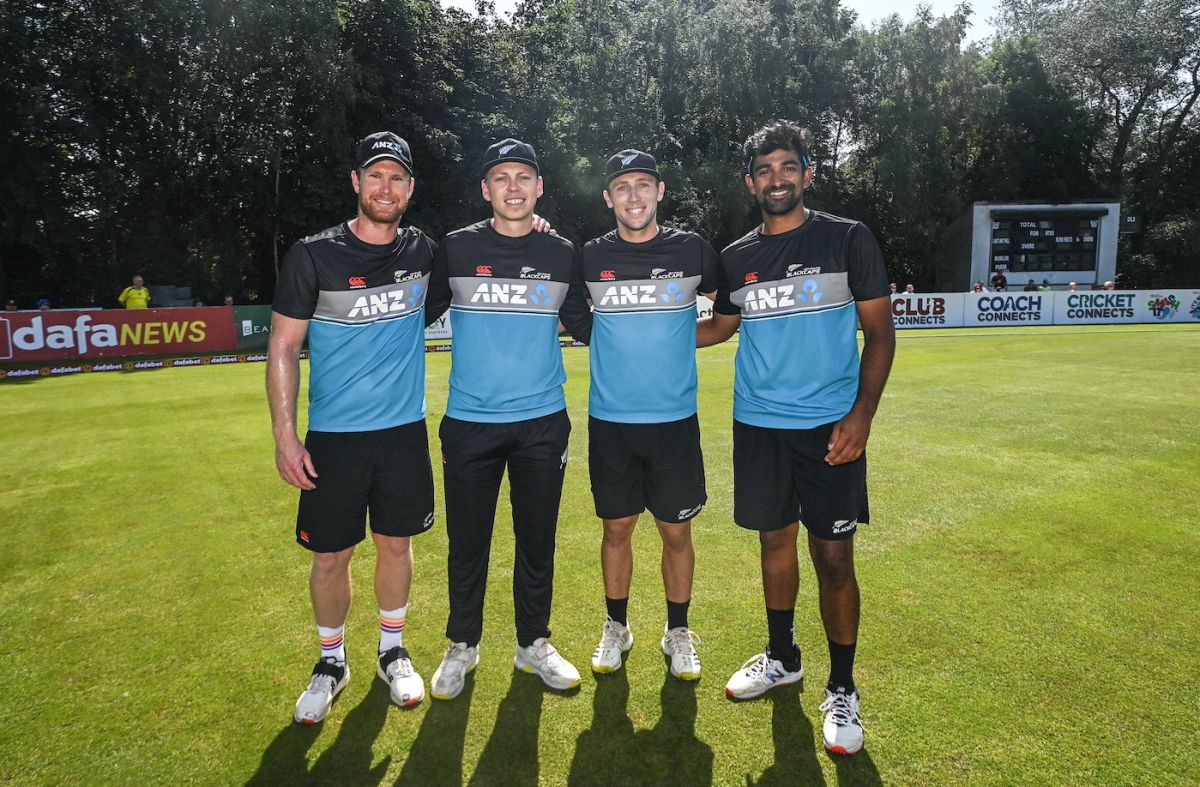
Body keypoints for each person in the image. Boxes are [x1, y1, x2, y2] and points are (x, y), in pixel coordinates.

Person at [697, 120, 895, 756]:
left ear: (807, 173)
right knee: (773, 542)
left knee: (833, 556)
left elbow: (881, 333)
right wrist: (636, 318)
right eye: (764, 170)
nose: (776, 179)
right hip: (758, 426)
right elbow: (717, 329)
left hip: (831, 427)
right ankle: (782, 657)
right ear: (750, 181)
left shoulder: (847, 239)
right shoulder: (736, 258)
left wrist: (862, 414)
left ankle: (842, 687)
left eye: (788, 167)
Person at [268, 132, 437, 723]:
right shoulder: (312, 256)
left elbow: (480, 255)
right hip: (334, 440)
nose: (385, 188)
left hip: (403, 434)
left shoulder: (422, 251)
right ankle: (331, 661)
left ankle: (393, 652)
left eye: (397, 178)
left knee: (397, 544)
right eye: (375, 176)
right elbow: (284, 348)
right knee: (330, 557)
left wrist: (537, 227)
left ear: (409, 189)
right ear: (356, 183)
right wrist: (286, 436)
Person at [423, 138, 592, 699]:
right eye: (502, 178)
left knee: (536, 540)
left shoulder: (562, 252)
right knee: (467, 542)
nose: (514, 187)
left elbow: (586, 325)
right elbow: (411, 312)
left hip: (543, 421)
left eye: (524, 177)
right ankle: (462, 646)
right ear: (485, 189)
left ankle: (532, 645)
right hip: (469, 422)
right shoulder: (454, 248)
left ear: (539, 188)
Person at [579, 149, 718, 681]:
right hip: (611, 421)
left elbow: (728, 306)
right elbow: (573, 314)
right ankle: (617, 626)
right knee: (617, 528)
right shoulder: (589, 256)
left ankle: (677, 630)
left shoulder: (692, 249)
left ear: (659, 191)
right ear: (608, 197)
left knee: (675, 532)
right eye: (622, 187)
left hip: (674, 420)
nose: (633, 196)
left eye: (643, 185)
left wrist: (690, 339)